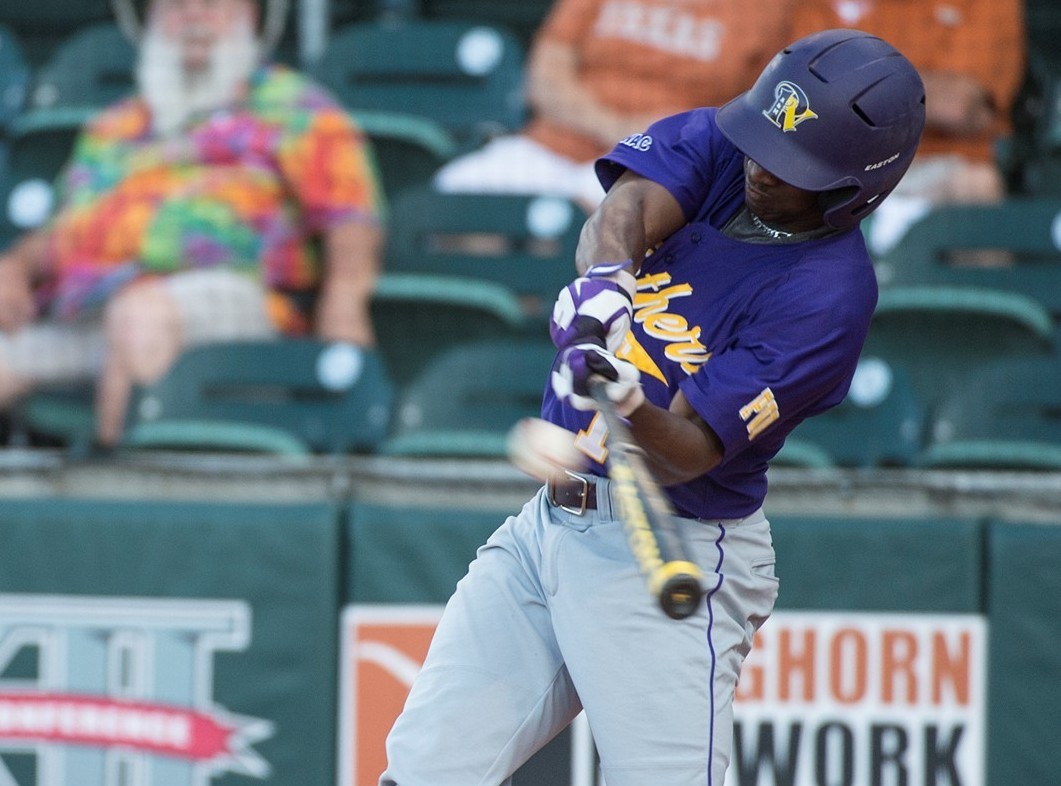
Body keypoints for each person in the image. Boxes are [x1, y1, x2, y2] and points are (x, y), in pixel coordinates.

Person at [379, 28, 926, 786]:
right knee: (424, 769)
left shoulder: (826, 297)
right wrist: (605, 287)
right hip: (549, 526)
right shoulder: (719, 144)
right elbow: (627, 207)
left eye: (790, 163)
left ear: (850, 186)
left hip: (672, 541)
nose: (761, 166)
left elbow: (692, 448)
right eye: (761, 140)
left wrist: (624, 396)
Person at [0, 0, 384, 447]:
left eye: (213, 4)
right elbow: (62, 230)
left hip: (238, 304)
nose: (194, 16)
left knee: (141, 316)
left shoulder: (298, 109)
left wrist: (345, 301)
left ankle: (131, 496)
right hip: (91, 311)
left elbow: (351, 217)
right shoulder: (113, 126)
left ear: (253, 17)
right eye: (177, 6)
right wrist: (14, 267)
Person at [432, 0, 795, 212]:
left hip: (661, 164)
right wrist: (618, 126)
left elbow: (768, 108)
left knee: (607, 223)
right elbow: (545, 77)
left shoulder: (772, 8)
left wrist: (676, 137)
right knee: (453, 198)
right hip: (556, 146)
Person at [789, 0, 1025, 254]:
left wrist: (851, 79)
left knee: (977, 183)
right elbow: (807, 91)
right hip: (845, 168)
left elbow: (958, 107)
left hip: (943, 167)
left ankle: (983, 294)